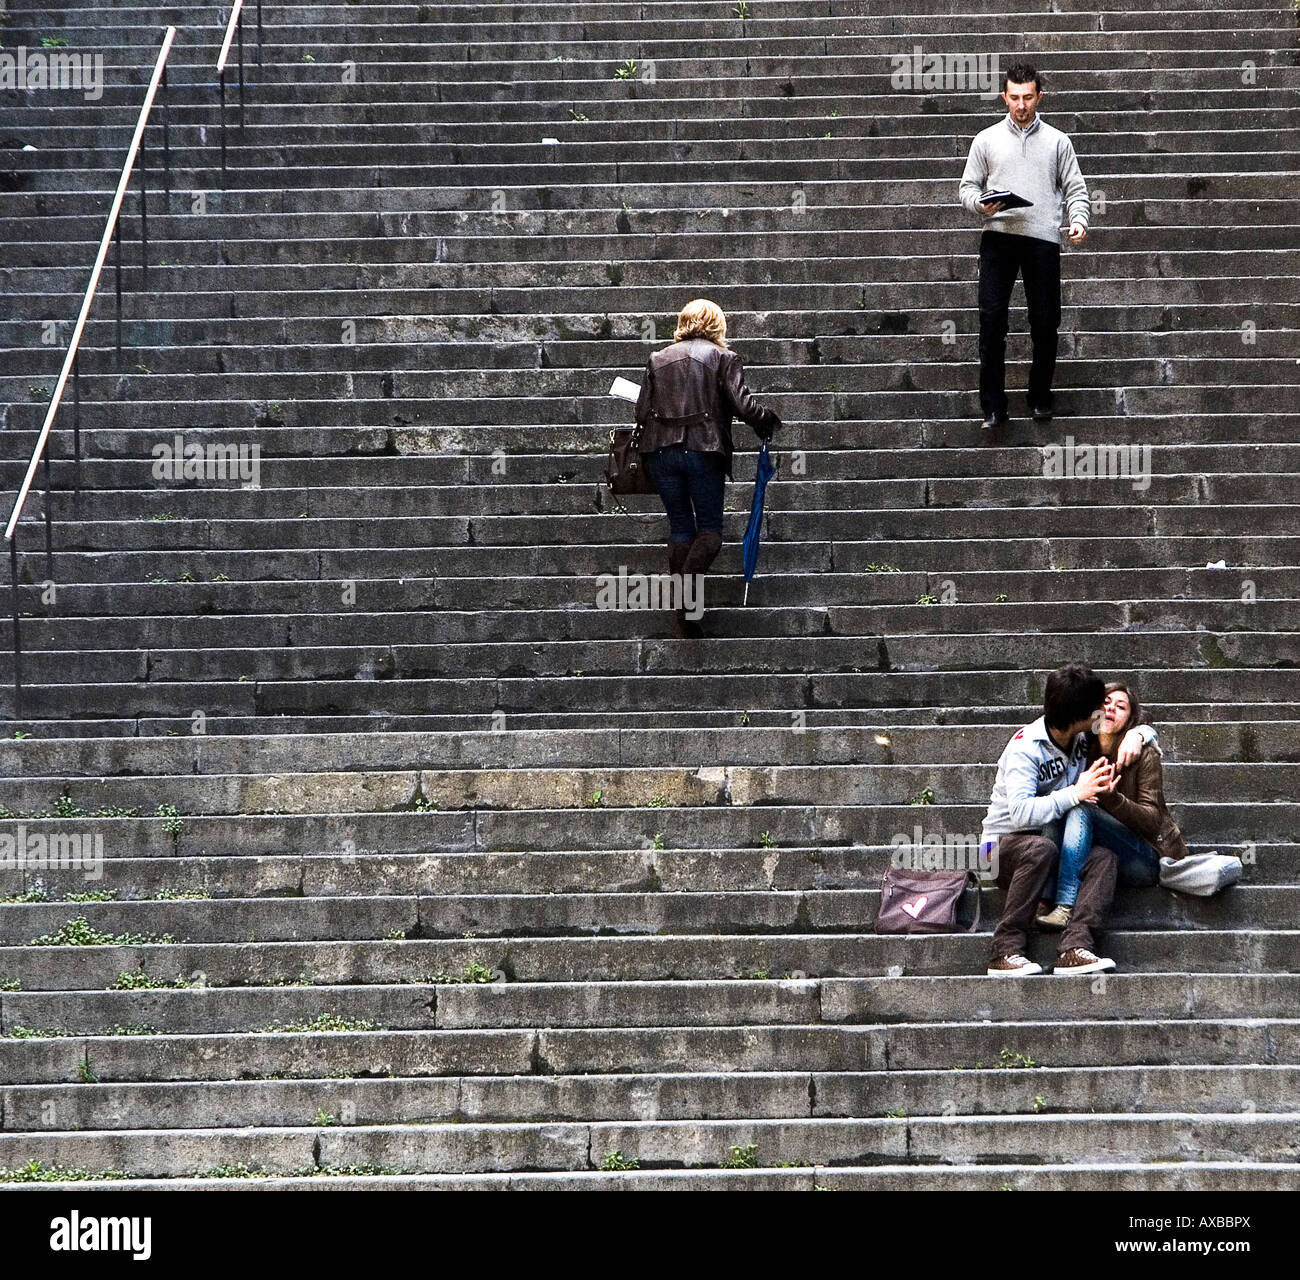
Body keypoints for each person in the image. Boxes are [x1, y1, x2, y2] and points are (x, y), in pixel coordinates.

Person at [981, 664, 1157, 978]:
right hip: (1000, 850)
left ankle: (1075, 947)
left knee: (1104, 858)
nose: (1103, 713)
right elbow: (1021, 813)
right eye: (1097, 709)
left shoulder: (1078, 734)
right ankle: (1004, 951)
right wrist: (1076, 793)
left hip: (1054, 843)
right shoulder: (1026, 748)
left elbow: (1136, 719)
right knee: (1041, 848)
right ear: (1081, 717)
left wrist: (1140, 733)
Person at [633, 299, 781, 637]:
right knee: (710, 531)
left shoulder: (657, 359)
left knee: (682, 529)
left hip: (661, 453)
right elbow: (743, 405)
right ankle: (685, 597)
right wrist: (767, 421)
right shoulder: (724, 358)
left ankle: (686, 612)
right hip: (703, 450)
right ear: (718, 326)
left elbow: (641, 414)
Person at [958, 62, 1090, 430]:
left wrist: (1077, 220)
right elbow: (967, 187)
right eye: (1014, 97)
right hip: (998, 237)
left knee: (1046, 322)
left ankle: (1039, 396)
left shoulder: (1058, 141)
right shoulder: (985, 140)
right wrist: (980, 204)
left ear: (1039, 97)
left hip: (1042, 241)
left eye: (1028, 97)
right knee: (992, 321)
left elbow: (1076, 191)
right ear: (1004, 96)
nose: (1021, 104)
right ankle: (994, 408)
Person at [1036, 682, 1191, 930]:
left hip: (1143, 857)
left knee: (1082, 807)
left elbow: (1153, 822)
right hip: (1101, 849)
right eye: (1105, 703)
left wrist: (1113, 799)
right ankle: (1044, 900)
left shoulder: (1144, 755)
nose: (1111, 710)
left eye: (1121, 707)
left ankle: (1066, 905)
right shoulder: (1082, 748)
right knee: (1062, 806)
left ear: (1130, 718)